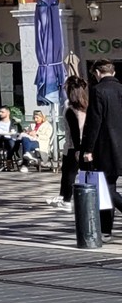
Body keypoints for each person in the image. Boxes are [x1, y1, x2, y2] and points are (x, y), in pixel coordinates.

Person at [81, 61, 122, 237]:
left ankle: (106, 228)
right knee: (107, 186)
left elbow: (94, 122)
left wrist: (88, 149)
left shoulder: (98, 91)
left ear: (97, 72)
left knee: (106, 186)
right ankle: (105, 228)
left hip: (107, 146)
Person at [58, 78, 88, 207]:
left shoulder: (70, 110)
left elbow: (74, 131)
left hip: (73, 145)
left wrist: (77, 149)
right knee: (85, 173)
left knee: (69, 173)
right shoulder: (87, 108)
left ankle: (66, 198)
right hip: (87, 144)